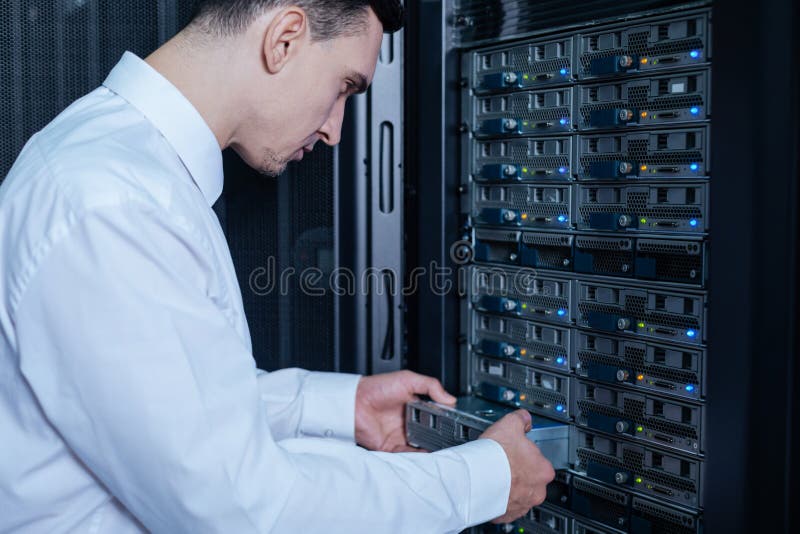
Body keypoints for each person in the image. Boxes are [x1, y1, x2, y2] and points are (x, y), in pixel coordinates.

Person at [0, 0, 555, 532]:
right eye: (344, 87)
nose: (336, 129)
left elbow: (168, 405)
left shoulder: (119, 173)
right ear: (283, 38)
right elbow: (245, 513)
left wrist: (345, 405)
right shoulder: (113, 205)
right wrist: (479, 481)